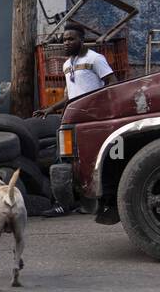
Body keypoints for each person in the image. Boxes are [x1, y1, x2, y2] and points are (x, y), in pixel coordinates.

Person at [36, 22, 118, 217]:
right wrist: (51, 108)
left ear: (82, 40)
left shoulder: (95, 59)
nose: (66, 42)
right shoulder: (66, 65)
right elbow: (71, 94)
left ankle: (100, 201)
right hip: (71, 118)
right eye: (64, 39)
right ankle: (63, 204)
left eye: (71, 39)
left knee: (92, 158)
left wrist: (98, 108)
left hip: (91, 119)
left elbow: (112, 83)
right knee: (64, 159)